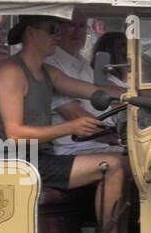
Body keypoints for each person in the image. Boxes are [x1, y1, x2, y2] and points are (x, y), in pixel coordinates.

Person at [0, 15, 138, 233]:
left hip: (41, 158)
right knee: (110, 166)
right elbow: (14, 134)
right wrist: (69, 127)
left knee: (126, 162)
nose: (59, 35)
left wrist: (136, 95)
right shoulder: (11, 72)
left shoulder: (47, 72)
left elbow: (92, 90)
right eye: (53, 29)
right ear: (31, 32)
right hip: (17, 162)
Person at [45, 12, 123, 155]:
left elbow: (105, 87)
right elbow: (76, 115)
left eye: (82, 26)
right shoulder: (51, 63)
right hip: (76, 147)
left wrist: (142, 93)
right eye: (72, 26)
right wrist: (116, 138)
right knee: (131, 163)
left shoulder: (80, 61)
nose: (78, 32)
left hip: (99, 141)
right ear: (57, 29)